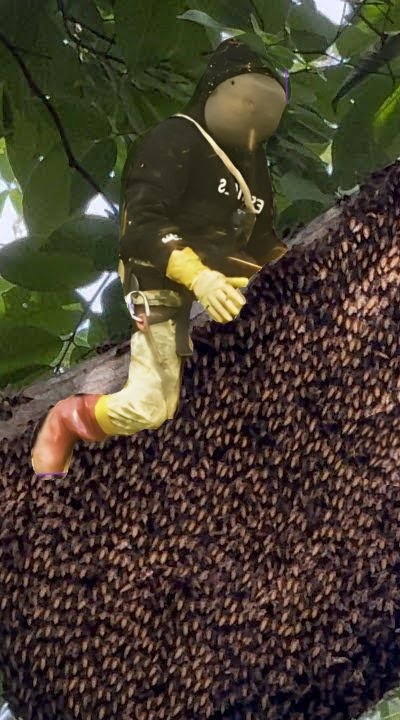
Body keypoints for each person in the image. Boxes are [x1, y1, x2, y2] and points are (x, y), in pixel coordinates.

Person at [30, 37, 291, 478]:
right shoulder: (175, 137)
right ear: (215, 91)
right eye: (247, 101)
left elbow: (263, 240)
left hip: (229, 273)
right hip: (162, 276)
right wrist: (197, 276)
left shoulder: (254, 165)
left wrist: (294, 268)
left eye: (269, 116)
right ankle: (68, 419)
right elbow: (142, 228)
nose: (255, 120)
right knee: (152, 405)